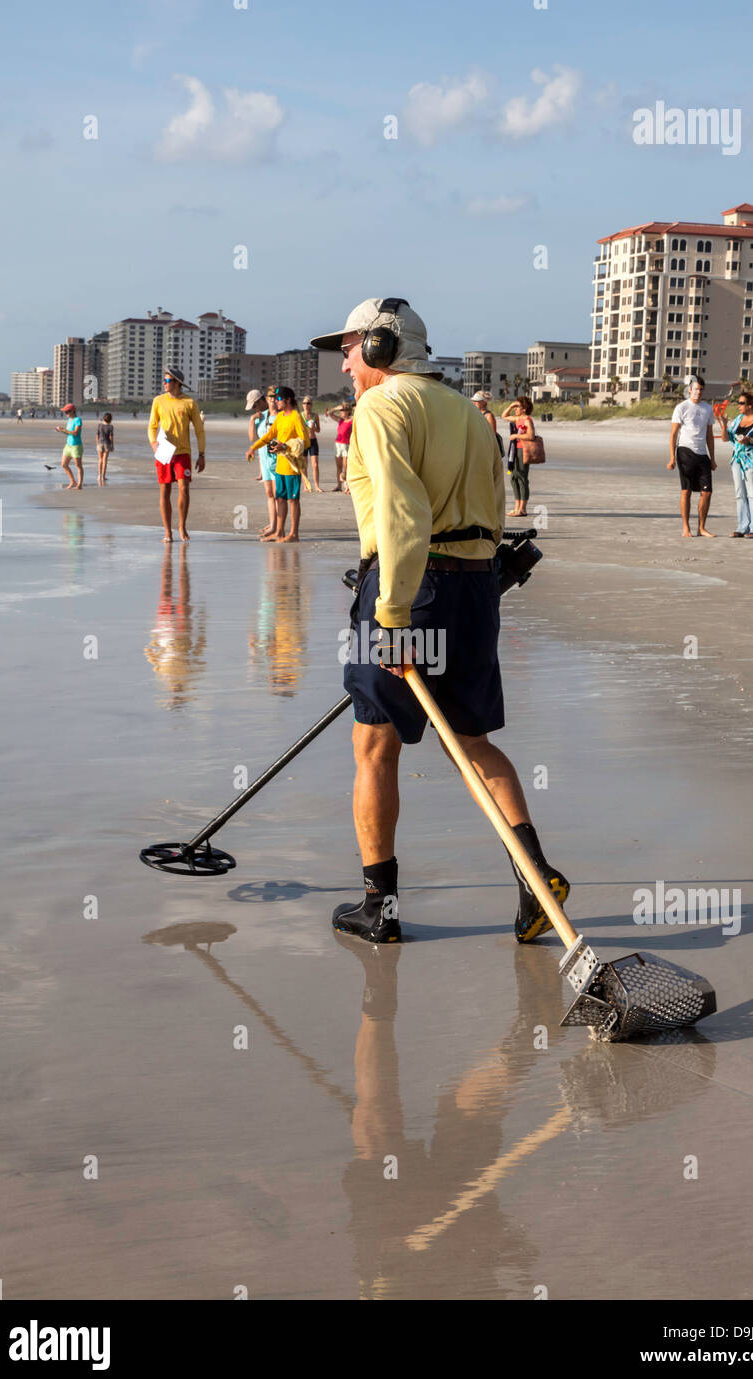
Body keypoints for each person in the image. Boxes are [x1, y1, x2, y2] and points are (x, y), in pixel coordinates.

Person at [309, 296, 569, 945]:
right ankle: (535, 875)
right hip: (475, 589)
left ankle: (380, 908)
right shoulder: (470, 415)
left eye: (347, 349)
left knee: (374, 745)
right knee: (472, 741)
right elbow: (492, 510)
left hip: (409, 590)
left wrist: (391, 612)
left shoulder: (380, 406)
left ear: (378, 346)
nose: (344, 366)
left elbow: (402, 517)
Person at [146, 366, 205, 543]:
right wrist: (153, 443)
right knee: (165, 490)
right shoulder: (158, 401)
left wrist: (201, 454)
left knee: (184, 488)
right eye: (163, 380)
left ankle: (182, 526)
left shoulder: (189, 402)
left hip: (183, 452)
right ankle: (167, 531)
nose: (164, 383)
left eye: (167, 381)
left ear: (178, 383)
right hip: (163, 450)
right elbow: (152, 426)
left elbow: (199, 430)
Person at [247, 386, 310, 542]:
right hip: (280, 466)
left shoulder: (296, 417)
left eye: (279, 398)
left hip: (292, 466)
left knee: (293, 500)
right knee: (280, 498)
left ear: (288, 400)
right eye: (274, 398)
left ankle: (294, 534)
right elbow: (269, 435)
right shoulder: (281, 416)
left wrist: (286, 446)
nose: (275, 401)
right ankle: (279, 532)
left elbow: (305, 441)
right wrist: (253, 448)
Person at [718, 388, 753, 538]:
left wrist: (749, 440)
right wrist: (723, 425)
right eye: (738, 403)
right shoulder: (738, 419)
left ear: (750, 405)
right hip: (737, 460)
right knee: (739, 494)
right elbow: (725, 438)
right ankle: (742, 527)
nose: (739, 406)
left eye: (741, 403)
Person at [668, 375, 716, 538]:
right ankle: (686, 528)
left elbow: (709, 435)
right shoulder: (681, 408)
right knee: (686, 491)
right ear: (690, 390)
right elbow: (674, 434)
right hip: (685, 451)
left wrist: (713, 458)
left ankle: (701, 528)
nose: (698, 392)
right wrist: (672, 457)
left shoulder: (708, 408)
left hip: (702, 453)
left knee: (707, 492)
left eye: (701, 389)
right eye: (696, 389)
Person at [501, 396, 537, 517]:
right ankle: (517, 507)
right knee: (513, 478)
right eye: (515, 407)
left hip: (523, 450)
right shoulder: (516, 419)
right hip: (514, 450)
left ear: (524, 409)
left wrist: (516, 436)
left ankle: (523, 509)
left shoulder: (527, 420)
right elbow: (504, 416)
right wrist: (511, 406)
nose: (516, 409)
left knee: (522, 478)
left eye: (518, 407)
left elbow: (531, 436)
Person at [251, 385, 279, 537]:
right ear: (266, 399)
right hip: (264, 460)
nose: (273, 400)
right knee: (269, 493)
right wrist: (252, 420)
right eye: (270, 397)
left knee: (277, 494)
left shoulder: (281, 416)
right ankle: (272, 524)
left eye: (275, 397)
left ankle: (276, 527)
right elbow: (253, 438)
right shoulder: (263, 416)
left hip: (276, 459)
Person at [326, 401, 353, 491]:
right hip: (338, 444)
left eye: (342, 411)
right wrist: (335, 408)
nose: (341, 412)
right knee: (339, 466)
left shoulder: (352, 420)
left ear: (347, 411)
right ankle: (339, 486)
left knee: (346, 466)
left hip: (346, 445)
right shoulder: (340, 420)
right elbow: (330, 413)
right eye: (340, 411)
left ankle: (348, 486)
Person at [56, 403, 83, 489]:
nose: (66, 413)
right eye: (65, 412)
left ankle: (80, 484)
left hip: (76, 446)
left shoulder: (78, 420)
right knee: (64, 464)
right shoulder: (69, 420)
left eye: (67, 411)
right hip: (68, 445)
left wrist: (64, 429)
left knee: (78, 465)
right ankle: (73, 481)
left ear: (72, 411)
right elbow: (68, 433)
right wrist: (61, 430)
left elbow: (75, 433)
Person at [472, 390, 501, 457]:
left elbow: (492, 434)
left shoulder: (489, 416)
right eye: (473, 401)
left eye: (477, 401)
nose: (474, 403)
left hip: (485, 448)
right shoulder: (476, 414)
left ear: (484, 402)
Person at [302, 396, 322, 491]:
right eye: (304, 403)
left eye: (308, 403)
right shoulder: (300, 416)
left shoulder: (315, 415)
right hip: (303, 442)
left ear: (311, 405)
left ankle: (317, 486)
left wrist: (314, 428)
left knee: (315, 464)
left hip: (313, 441)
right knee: (304, 465)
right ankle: (306, 486)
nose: (306, 405)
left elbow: (318, 430)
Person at [96, 412, 114, 486]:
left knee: (100, 460)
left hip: (100, 443)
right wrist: (112, 444)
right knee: (105, 461)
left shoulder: (100, 425)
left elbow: (97, 435)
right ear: (110, 419)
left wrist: (97, 443)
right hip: (107, 443)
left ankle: (99, 475)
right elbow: (111, 437)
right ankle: (103, 476)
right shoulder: (110, 427)